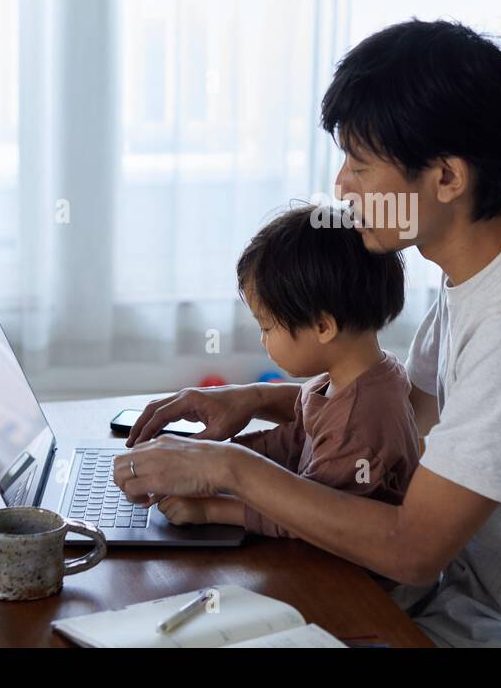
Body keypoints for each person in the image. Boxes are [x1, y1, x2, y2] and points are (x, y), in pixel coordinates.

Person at [116, 19, 501, 646]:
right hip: (468, 593)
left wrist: (230, 468)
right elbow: (404, 407)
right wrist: (254, 399)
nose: (341, 186)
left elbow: (412, 549)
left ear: (448, 178)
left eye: (360, 164)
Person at [154, 204, 420, 536]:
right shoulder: (359, 376)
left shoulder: (357, 427)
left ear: (323, 326)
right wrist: (210, 461)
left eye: (266, 327)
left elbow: (312, 520)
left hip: (344, 567)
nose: (263, 339)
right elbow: (296, 440)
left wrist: (212, 509)